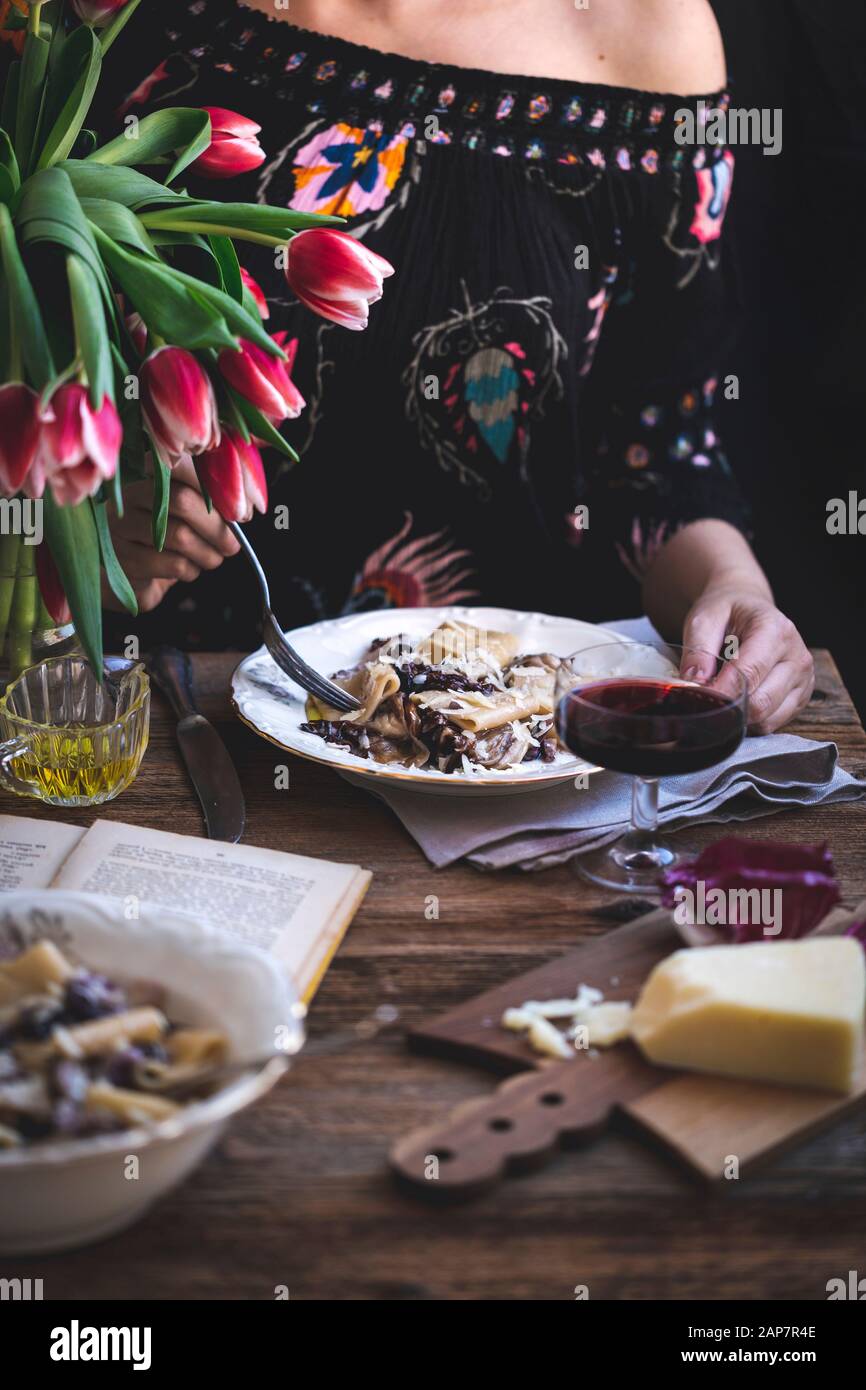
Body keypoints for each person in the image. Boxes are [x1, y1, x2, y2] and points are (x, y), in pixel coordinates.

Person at [96, 0, 814, 731]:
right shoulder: (131, 20)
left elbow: (658, 453)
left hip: (509, 743)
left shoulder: (651, 34)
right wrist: (78, 523)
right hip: (176, 720)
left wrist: (731, 590)